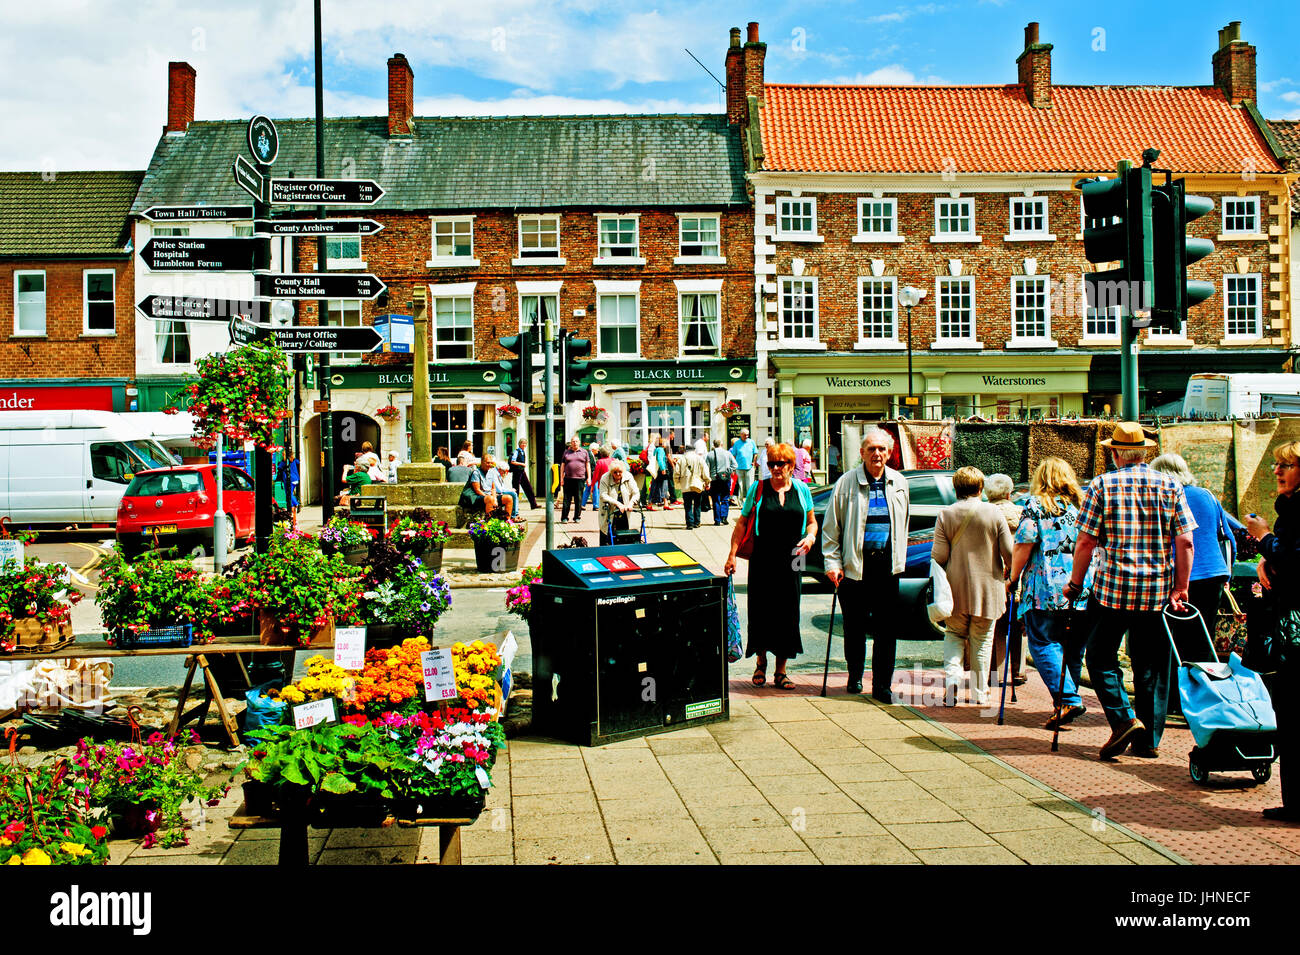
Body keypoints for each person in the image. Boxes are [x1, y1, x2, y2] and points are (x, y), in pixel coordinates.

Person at [1067, 422, 1195, 762]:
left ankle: (1123, 719)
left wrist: (1076, 583)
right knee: (1151, 663)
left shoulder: (1102, 485)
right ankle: (1148, 740)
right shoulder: (1169, 485)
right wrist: (1181, 587)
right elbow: (1185, 541)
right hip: (1157, 591)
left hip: (1113, 589)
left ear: (1114, 453)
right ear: (1144, 452)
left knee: (1098, 656)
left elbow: (1085, 541)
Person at [820, 427, 911, 702]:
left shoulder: (899, 482)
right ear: (861, 453)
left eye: (882, 449)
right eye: (871, 449)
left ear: (890, 453)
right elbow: (830, 530)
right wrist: (832, 563)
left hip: (887, 566)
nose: (877, 454)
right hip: (855, 567)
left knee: (886, 630)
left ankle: (883, 684)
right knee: (855, 628)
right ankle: (855, 674)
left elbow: (903, 525)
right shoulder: (846, 483)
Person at [1007, 457, 1096, 728]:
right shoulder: (1082, 506)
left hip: (1045, 587)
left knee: (1043, 642)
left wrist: (1012, 577)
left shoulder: (1035, 505)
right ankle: (1067, 701)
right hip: (1082, 585)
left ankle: (1067, 698)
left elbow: (1024, 543)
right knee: (1073, 648)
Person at [724, 442, 817, 690]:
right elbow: (742, 523)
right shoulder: (758, 488)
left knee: (789, 612)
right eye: (772, 464)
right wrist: (732, 554)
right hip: (763, 556)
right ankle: (761, 662)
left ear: (792, 466)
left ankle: (781, 670)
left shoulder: (801, 490)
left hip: (795, 556)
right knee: (762, 610)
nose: (776, 468)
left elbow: (811, 522)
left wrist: (810, 538)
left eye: (781, 464)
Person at [1245, 441, 1300, 821]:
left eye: (1286, 465)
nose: (1277, 472)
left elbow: (1296, 559)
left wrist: (1264, 538)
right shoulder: (1292, 508)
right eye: (1277, 465)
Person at [932, 467, 1014, 707]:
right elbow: (1009, 553)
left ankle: (952, 680)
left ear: (956, 488)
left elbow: (939, 555)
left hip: (954, 589)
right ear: (980, 488)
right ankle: (979, 692)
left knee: (954, 635)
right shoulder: (994, 513)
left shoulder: (945, 514)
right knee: (982, 640)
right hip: (988, 589)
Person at [985, 472, 1026, 688]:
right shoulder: (1023, 513)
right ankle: (1018, 672)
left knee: (996, 626)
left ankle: (995, 674)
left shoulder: (984, 513)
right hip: (1018, 577)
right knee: (1018, 624)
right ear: (1009, 493)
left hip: (993, 577)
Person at [598, 457, 640, 543]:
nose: (617, 474)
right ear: (611, 472)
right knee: (606, 534)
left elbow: (636, 492)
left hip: (625, 512)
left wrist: (631, 503)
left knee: (624, 535)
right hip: (609, 511)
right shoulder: (605, 478)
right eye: (615, 472)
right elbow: (603, 495)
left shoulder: (628, 476)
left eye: (620, 472)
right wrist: (617, 503)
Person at [675, 442, 710, 530]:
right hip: (697, 485)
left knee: (688, 505)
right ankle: (697, 522)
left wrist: (677, 483)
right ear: (694, 450)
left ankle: (690, 523)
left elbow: (676, 473)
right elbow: (705, 471)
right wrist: (707, 481)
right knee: (697, 504)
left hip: (685, 486)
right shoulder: (699, 459)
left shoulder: (681, 459)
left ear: (686, 450)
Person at [467, 453, 513, 519]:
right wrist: (490, 498)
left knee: (508, 498)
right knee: (490, 499)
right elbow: (477, 490)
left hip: (490, 496)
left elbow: (493, 488)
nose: (490, 465)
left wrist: (495, 499)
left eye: (491, 463)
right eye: (488, 463)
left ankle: (507, 521)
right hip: (479, 496)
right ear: (482, 462)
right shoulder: (476, 473)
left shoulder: (491, 472)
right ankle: (490, 522)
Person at [706, 438, 737, 526]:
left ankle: (717, 519)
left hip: (714, 479)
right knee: (725, 498)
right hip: (725, 478)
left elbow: (706, 467)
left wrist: (708, 479)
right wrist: (728, 472)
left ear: (713, 445)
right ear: (722, 444)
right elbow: (735, 464)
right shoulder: (727, 453)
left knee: (716, 499)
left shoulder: (710, 455)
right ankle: (724, 517)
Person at [561, 437, 589, 523]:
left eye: (576, 441)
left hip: (580, 479)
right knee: (566, 499)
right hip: (568, 479)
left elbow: (587, 465)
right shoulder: (566, 452)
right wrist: (561, 478)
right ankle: (564, 517)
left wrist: (589, 478)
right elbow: (562, 466)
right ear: (571, 443)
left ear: (579, 442)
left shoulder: (584, 452)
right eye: (573, 441)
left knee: (578, 499)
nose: (575, 443)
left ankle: (577, 517)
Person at [731, 428, 757, 504]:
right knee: (740, 486)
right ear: (741, 435)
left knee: (749, 486)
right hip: (739, 468)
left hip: (749, 467)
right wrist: (734, 467)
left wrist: (754, 461)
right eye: (745, 435)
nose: (747, 436)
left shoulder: (751, 442)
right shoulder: (737, 443)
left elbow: (755, 453)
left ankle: (750, 502)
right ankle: (741, 502)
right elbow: (734, 456)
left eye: (748, 435)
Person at [510, 439, 538, 509]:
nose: (524, 445)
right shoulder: (516, 451)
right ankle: (514, 506)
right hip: (517, 472)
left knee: (528, 487)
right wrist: (522, 464)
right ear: (519, 444)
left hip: (522, 471)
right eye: (522, 443)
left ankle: (533, 504)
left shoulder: (523, 452)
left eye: (525, 444)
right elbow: (512, 461)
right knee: (516, 489)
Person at [278, 450, 300, 525]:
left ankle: (295, 504)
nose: (282, 454)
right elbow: (298, 462)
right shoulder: (293, 460)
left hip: (289, 480)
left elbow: (279, 467)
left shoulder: (284, 462)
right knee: (290, 493)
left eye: (283, 453)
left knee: (288, 494)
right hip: (296, 479)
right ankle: (293, 506)